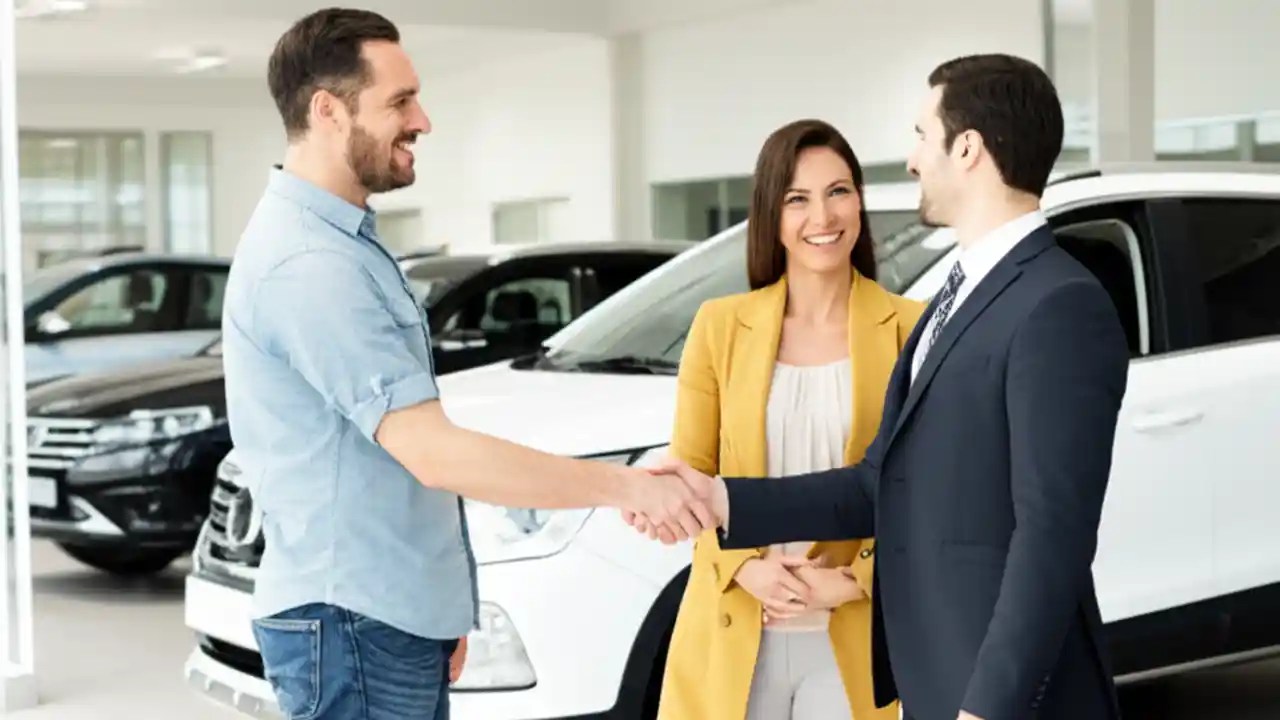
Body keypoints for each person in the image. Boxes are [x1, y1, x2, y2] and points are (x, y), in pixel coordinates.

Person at [221, 9, 711, 720]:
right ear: (327, 111)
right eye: (400, 101)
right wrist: (629, 487)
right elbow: (432, 453)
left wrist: (442, 603)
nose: (423, 120)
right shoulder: (310, 264)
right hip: (356, 621)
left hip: (382, 616)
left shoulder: (343, 243)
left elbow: (388, 466)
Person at [637, 54, 1130, 720]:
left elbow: (1054, 537)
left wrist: (987, 708)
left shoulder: (1057, 303)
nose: (911, 160)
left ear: (967, 148)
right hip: (935, 684)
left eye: (922, 136)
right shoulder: (957, 299)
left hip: (997, 700)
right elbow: (876, 486)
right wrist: (717, 498)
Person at [656, 119, 923, 720]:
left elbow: (929, 496)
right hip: (734, 631)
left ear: (859, 200)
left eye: (838, 191)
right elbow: (688, 481)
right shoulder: (720, 327)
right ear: (770, 216)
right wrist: (744, 567)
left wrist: (857, 581)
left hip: (852, 638)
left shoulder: (913, 328)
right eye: (796, 199)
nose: (822, 217)